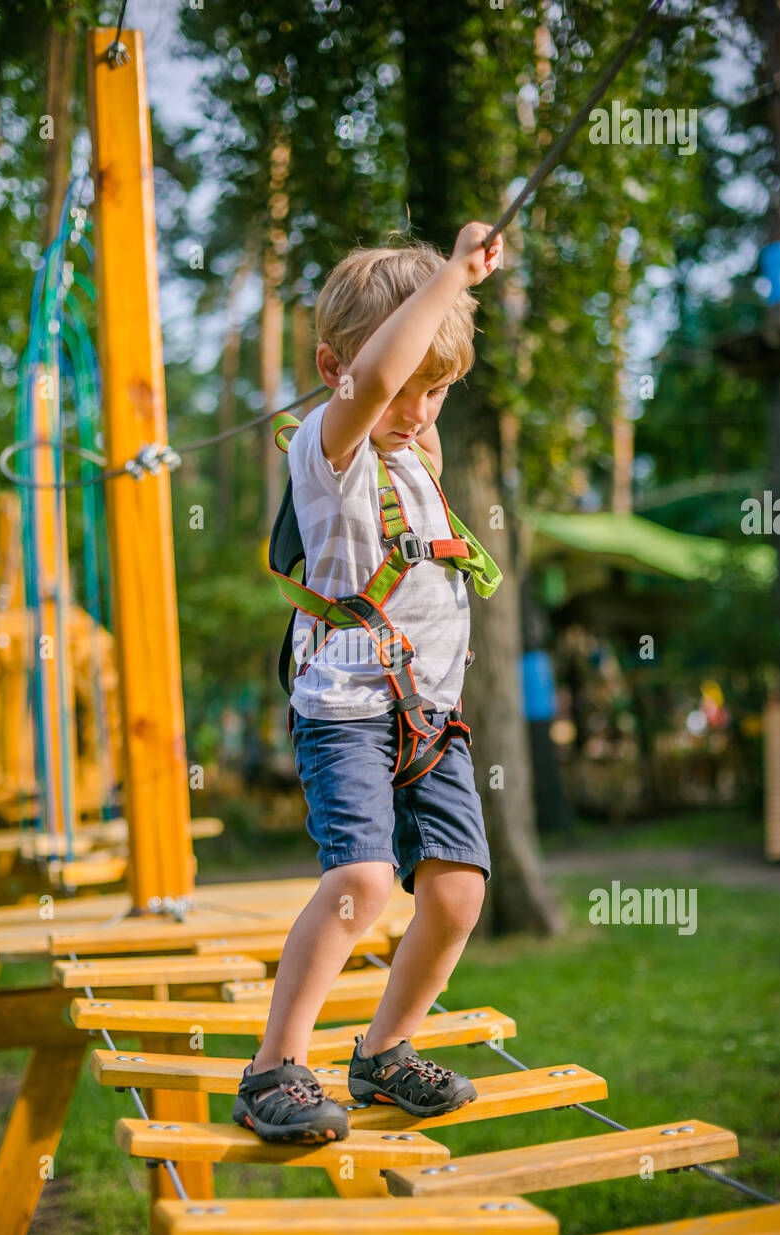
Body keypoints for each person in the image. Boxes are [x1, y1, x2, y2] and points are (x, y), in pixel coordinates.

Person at [233, 223, 504, 1142]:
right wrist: (450, 276)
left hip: (428, 717)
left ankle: (384, 1053)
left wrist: (451, 299)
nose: (420, 407)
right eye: (410, 385)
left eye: (438, 390)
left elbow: (405, 379)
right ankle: (273, 1068)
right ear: (331, 366)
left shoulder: (410, 456)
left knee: (459, 892)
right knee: (361, 879)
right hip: (347, 714)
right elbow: (379, 379)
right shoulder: (330, 445)